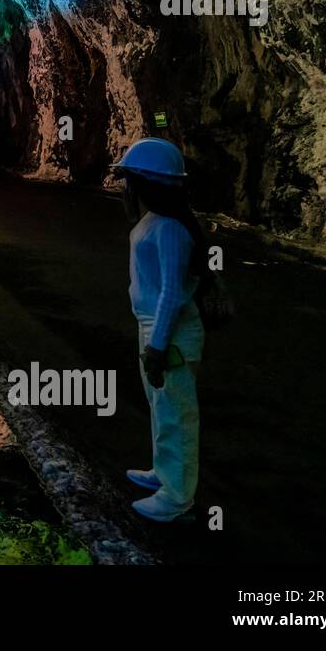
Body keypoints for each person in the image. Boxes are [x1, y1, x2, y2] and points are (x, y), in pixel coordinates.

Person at [113, 137, 206, 523]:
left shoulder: (169, 228)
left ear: (145, 182)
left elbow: (171, 292)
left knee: (176, 413)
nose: (124, 188)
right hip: (153, 328)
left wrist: (156, 345)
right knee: (159, 406)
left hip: (168, 333)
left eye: (128, 180)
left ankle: (176, 498)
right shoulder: (156, 220)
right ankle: (163, 473)